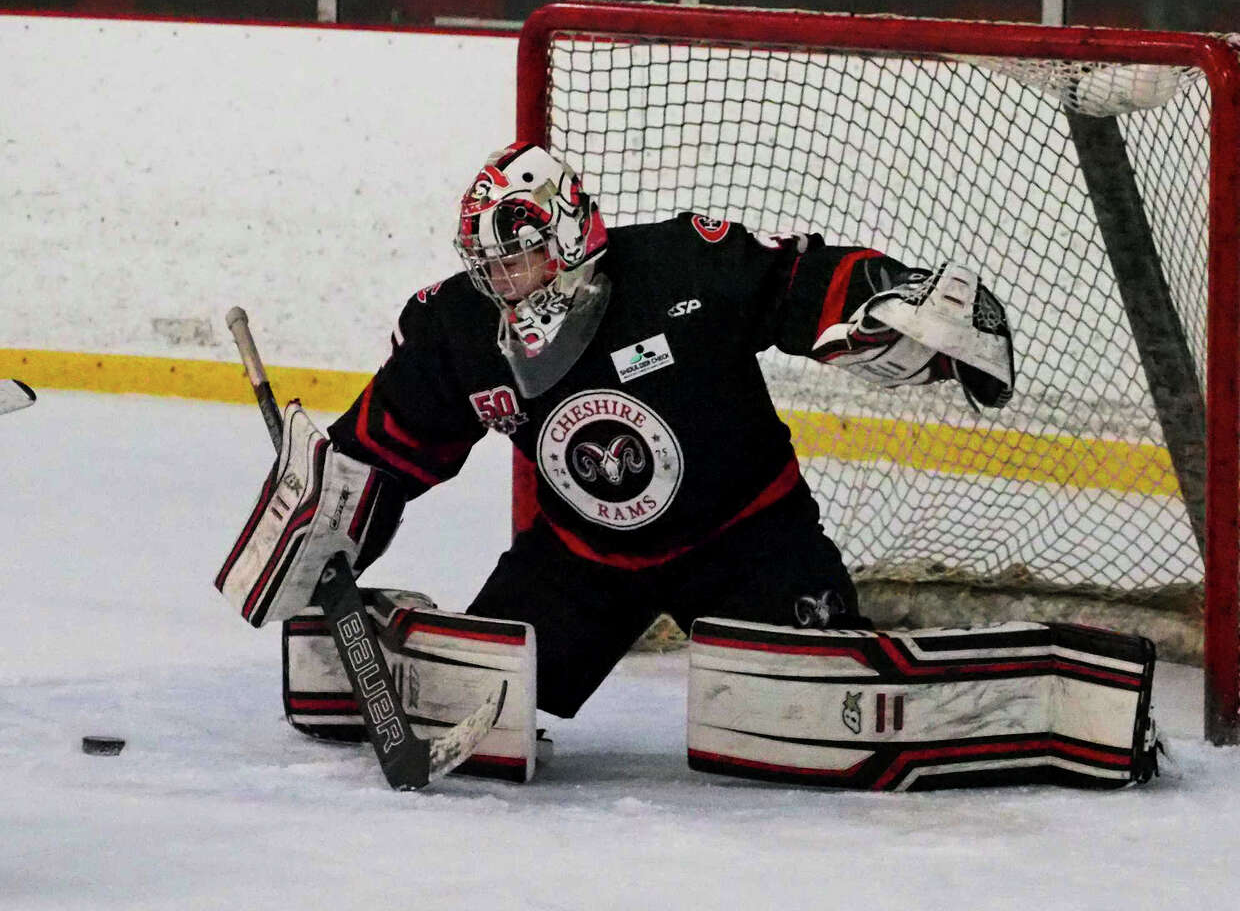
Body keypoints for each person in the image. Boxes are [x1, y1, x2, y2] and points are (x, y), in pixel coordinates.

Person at [217, 141, 1016, 721]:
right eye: (487, 266)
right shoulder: (459, 328)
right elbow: (387, 447)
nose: (501, 283)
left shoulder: (680, 264)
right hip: (581, 562)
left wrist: (895, 306)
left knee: (819, 705)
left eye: (518, 259)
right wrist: (324, 520)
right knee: (473, 699)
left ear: (569, 237)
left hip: (748, 539)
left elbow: (796, 282)